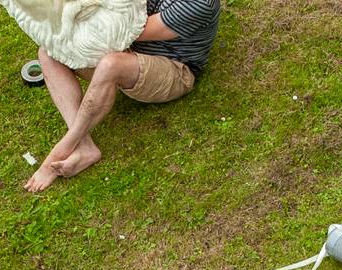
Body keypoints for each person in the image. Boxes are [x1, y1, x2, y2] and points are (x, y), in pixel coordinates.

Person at [24, 0, 221, 192]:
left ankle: (63, 148)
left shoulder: (200, 3)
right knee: (49, 52)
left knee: (111, 64)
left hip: (174, 68)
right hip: (126, 48)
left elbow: (133, 31)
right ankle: (85, 147)